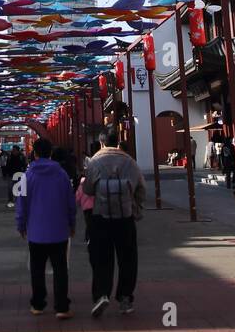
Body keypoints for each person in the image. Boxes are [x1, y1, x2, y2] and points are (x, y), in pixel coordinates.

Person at [82, 128, 147, 317]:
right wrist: (135, 205)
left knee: (102, 258)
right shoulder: (129, 161)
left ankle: (101, 294)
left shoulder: (94, 162)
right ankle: (125, 297)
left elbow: (87, 190)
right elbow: (141, 188)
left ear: (101, 143)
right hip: (125, 218)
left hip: (100, 217)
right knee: (128, 259)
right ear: (117, 142)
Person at [15, 138, 77, 319]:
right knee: (60, 269)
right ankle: (62, 306)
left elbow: (21, 204)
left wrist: (21, 225)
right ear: (50, 153)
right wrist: (72, 224)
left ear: (34, 153)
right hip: (59, 230)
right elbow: (70, 203)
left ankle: (38, 304)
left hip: (35, 232)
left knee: (37, 269)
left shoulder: (27, 176)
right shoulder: (62, 175)